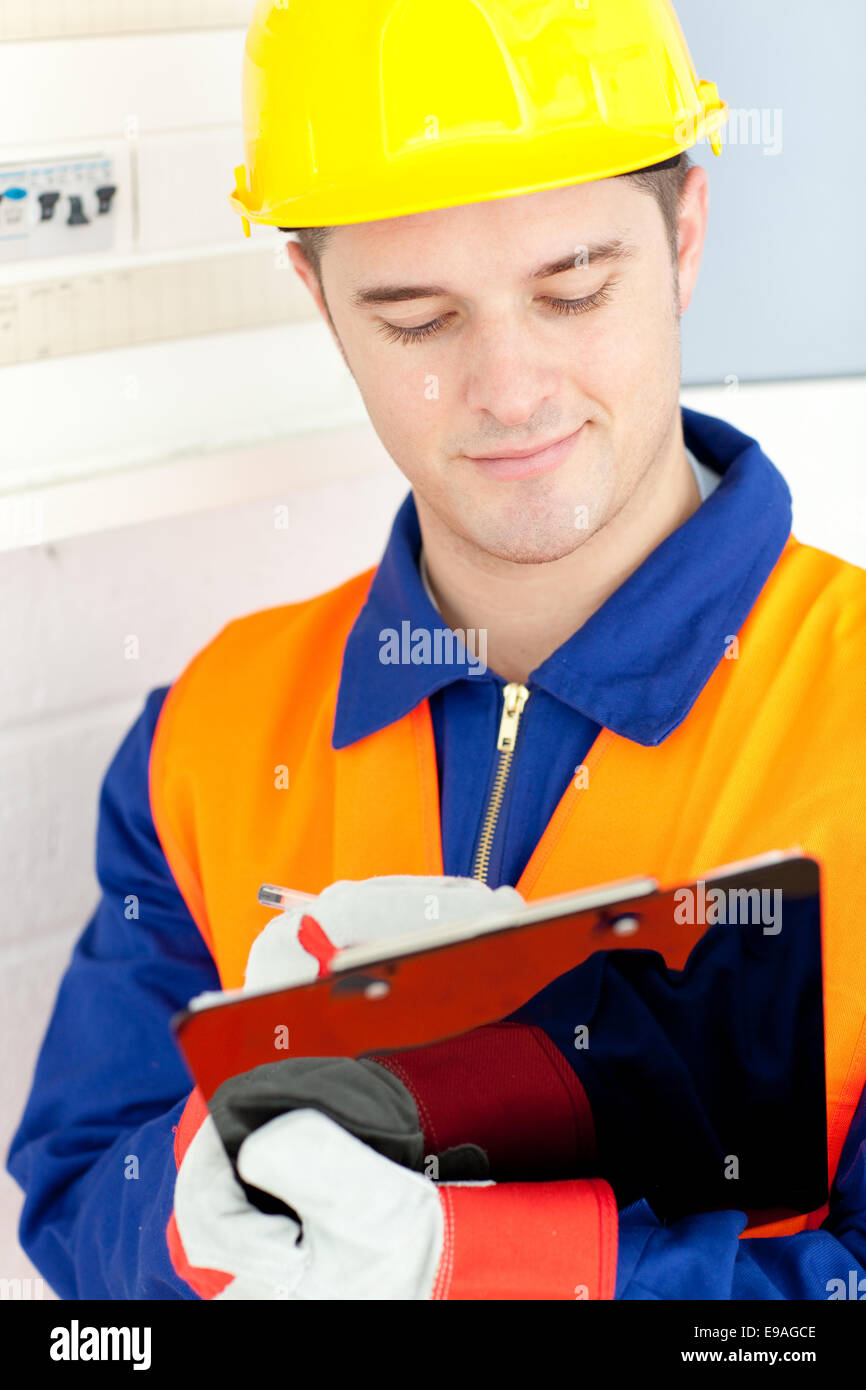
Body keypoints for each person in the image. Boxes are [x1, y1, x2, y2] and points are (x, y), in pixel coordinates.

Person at [8, 0, 866, 1300]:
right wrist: (203, 1195)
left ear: (684, 231)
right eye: (416, 320)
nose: (508, 388)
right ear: (316, 294)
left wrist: (484, 1264)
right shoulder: (212, 735)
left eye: (571, 288)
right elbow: (80, 1189)